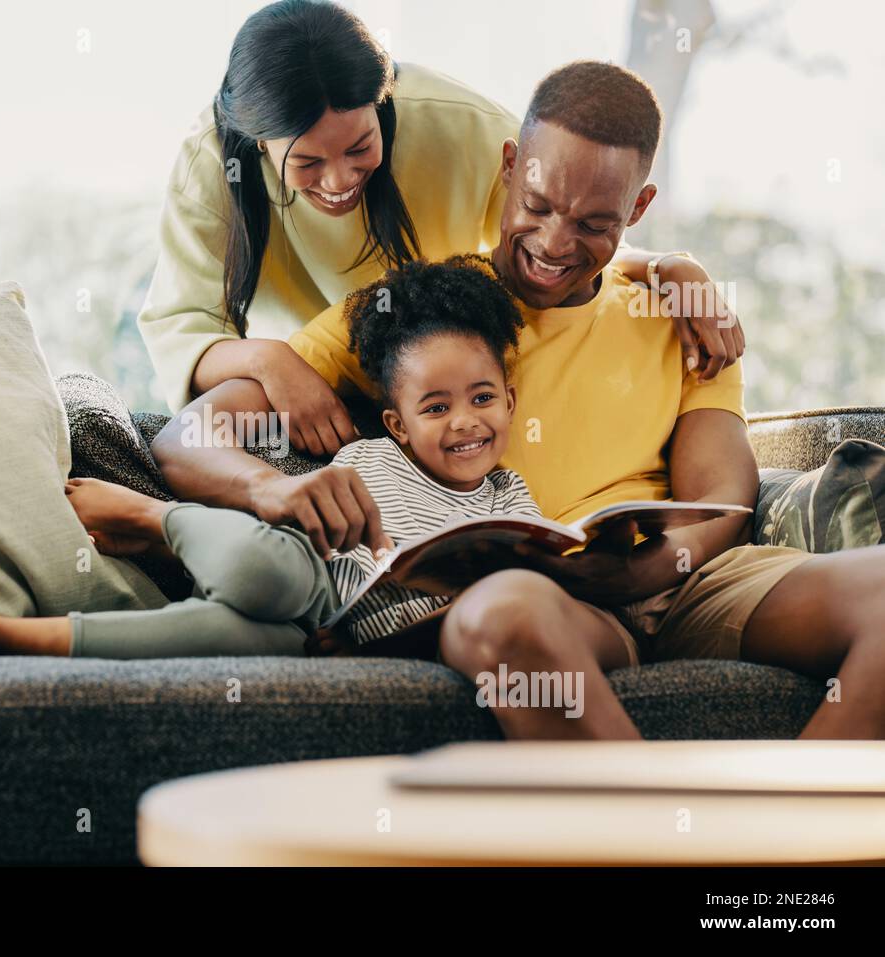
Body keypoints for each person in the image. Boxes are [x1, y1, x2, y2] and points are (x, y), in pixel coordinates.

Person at [150, 60, 885, 740]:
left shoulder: (677, 307)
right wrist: (271, 486)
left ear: (640, 206)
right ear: (509, 167)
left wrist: (665, 562)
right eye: (536, 204)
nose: (555, 242)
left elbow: (720, 491)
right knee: (497, 618)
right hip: (547, 602)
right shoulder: (419, 312)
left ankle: (792, 861)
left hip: (682, 579)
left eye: (596, 223)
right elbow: (186, 438)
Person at [138, 0, 742, 457]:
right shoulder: (213, 165)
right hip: (318, 376)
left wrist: (666, 268)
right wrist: (272, 363)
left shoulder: (461, 125)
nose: (340, 179)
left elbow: (559, 239)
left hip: (444, 384)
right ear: (258, 144)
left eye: (359, 147)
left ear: (383, 101)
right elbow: (183, 325)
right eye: (307, 163)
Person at [0, 263, 541, 661]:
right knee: (267, 573)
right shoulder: (367, 459)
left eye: (482, 399)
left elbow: (530, 595)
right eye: (436, 408)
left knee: (222, 641)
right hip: (308, 581)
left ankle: (4, 636)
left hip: (326, 638)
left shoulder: (511, 498)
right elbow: (219, 460)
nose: (464, 421)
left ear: (509, 402)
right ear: (399, 426)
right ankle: (156, 520)